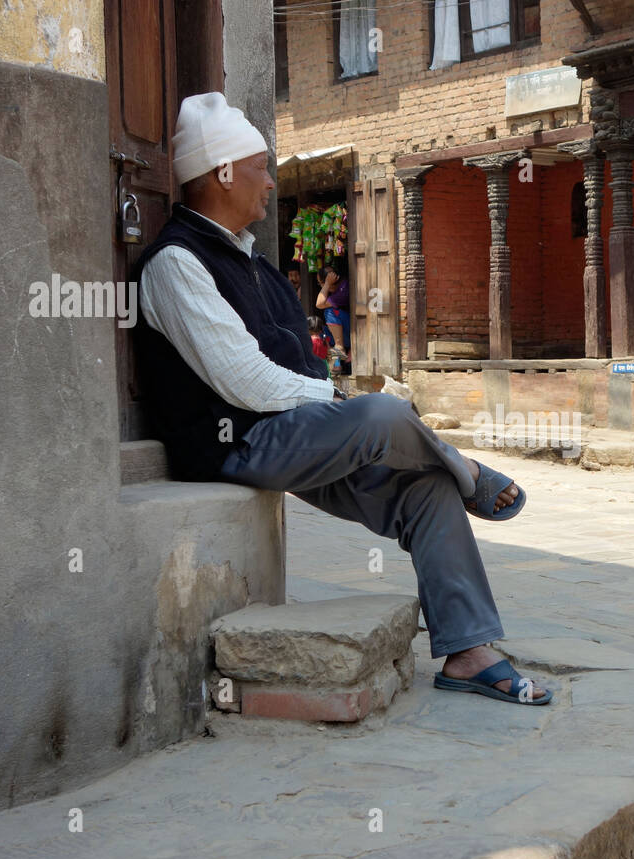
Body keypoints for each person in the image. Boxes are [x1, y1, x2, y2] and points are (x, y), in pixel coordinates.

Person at [133, 92, 548, 704]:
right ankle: (465, 468)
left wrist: (330, 407)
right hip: (236, 442)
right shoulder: (175, 263)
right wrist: (335, 400)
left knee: (425, 486)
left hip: (294, 438)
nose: (271, 183)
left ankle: (468, 650)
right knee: (383, 413)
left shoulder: (253, 264)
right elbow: (242, 381)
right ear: (222, 173)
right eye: (259, 168)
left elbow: (289, 368)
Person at [316, 260, 350, 372]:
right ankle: (335, 362)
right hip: (344, 331)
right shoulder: (337, 289)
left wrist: (326, 284)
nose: (321, 287)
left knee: (329, 311)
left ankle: (337, 362)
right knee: (320, 333)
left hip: (352, 333)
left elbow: (319, 304)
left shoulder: (342, 289)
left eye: (320, 283)